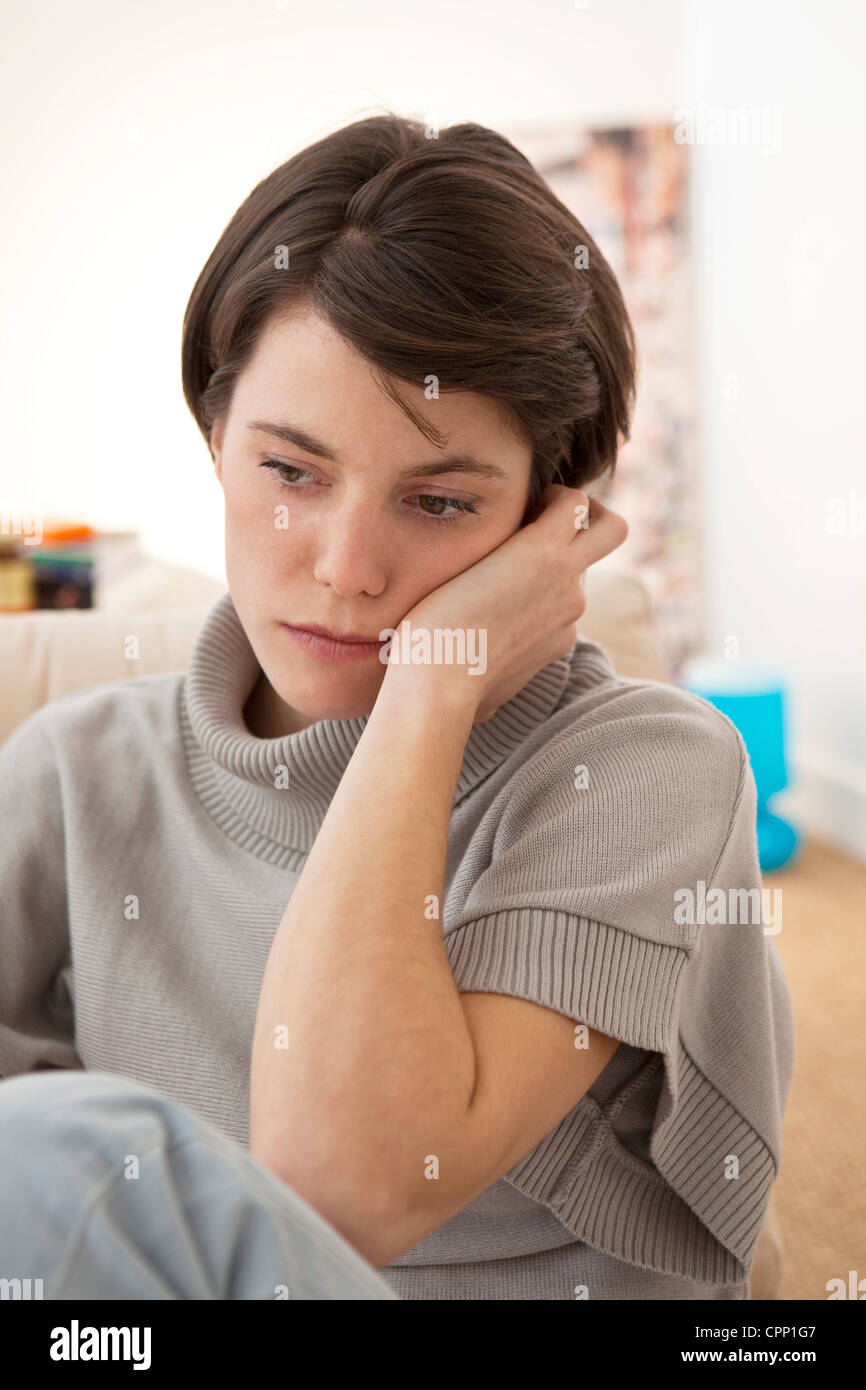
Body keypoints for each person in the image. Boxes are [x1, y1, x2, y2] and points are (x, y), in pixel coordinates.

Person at [0, 112, 792, 1301]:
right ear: (215, 441)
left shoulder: (646, 771)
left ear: (548, 520)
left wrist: (432, 687)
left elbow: (336, 1188)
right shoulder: (75, 767)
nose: (345, 567)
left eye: (436, 503)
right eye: (288, 471)